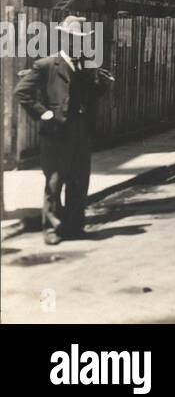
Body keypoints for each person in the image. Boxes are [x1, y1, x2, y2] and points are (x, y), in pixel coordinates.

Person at [14, 17, 113, 244]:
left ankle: (75, 226)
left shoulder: (85, 67)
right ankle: (52, 228)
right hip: (57, 134)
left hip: (81, 133)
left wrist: (101, 83)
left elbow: (90, 95)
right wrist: (43, 112)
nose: (76, 44)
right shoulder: (47, 65)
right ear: (63, 39)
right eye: (72, 39)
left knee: (79, 181)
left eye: (79, 40)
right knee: (54, 182)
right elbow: (22, 92)